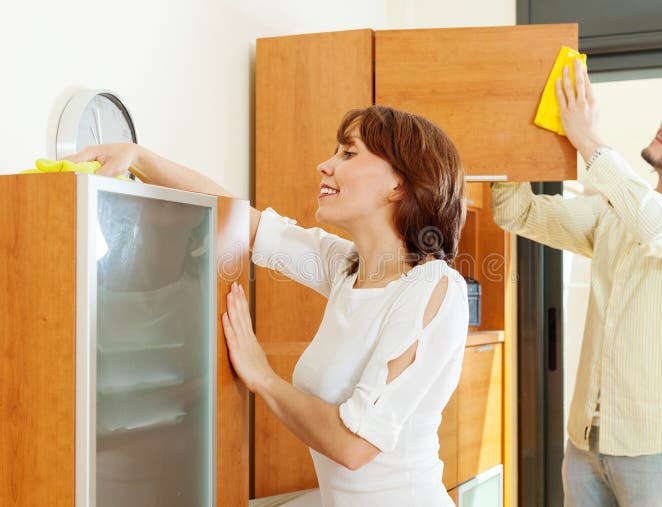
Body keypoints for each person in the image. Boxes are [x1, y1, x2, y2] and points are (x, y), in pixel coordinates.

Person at [66, 105, 469, 506]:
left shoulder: (434, 287)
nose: (323, 166)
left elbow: (355, 446)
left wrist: (262, 375)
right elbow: (239, 218)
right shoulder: (348, 269)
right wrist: (139, 157)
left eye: (348, 153)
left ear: (398, 184)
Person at [492, 60, 662, 506]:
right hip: (584, 446)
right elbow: (516, 212)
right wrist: (516, 141)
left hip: (661, 452)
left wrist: (590, 142)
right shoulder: (616, 213)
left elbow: (656, 227)